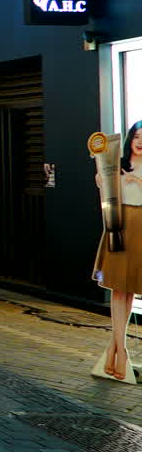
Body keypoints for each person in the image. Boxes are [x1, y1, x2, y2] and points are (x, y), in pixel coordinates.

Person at [94, 119, 142, 380]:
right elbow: (107, 198)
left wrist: (137, 181)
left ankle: (116, 349)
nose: (140, 141)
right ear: (130, 139)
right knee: (118, 287)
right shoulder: (118, 167)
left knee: (130, 287)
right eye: (137, 136)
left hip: (141, 229)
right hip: (119, 226)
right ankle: (120, 350)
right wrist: (103, 179)